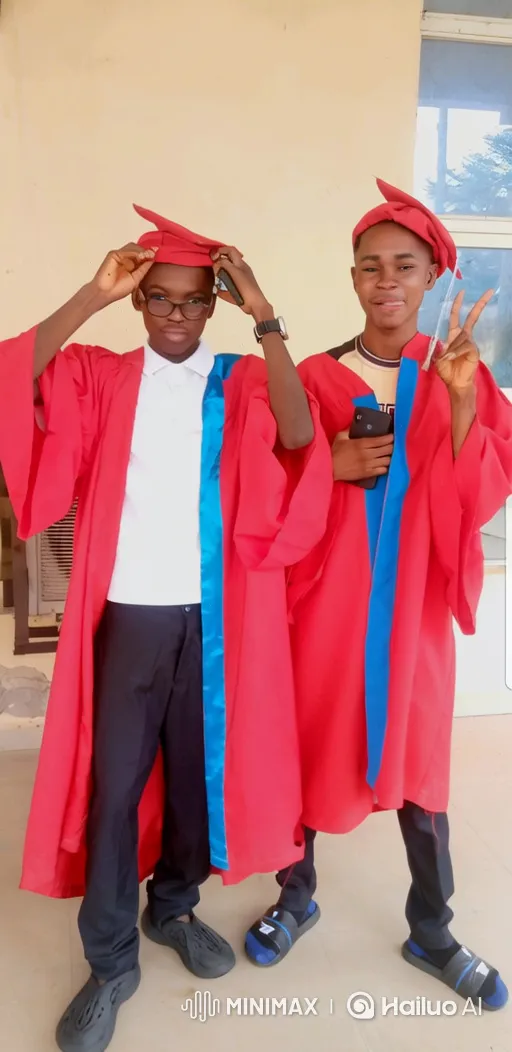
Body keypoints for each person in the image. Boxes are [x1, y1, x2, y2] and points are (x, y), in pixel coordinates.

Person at [0, 204, 332, 1052]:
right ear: (142, 302)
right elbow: (13, 375)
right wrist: (93, 294)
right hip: (130, 616)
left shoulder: (239, 378)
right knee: (116, 787)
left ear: (212, 305)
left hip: (215, 620)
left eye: (192, 301)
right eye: (160, 299)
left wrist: (263, 312)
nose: (176, 314)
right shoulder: (103, 376)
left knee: (195, 779)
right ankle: (109, 961)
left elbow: (300, 435)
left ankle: (173, 908)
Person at [245, 180, 512, 1012]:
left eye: (404, 264)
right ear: (352, 277)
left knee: (421, 770)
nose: (385, 279)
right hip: (324, 606)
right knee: (311, 745)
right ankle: (297, 896)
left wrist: (464, 396)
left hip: (411, 615)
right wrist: (329, 463)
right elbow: (264, 485)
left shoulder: (457, 377)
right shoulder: (318, 378)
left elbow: (478, 498)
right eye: (370, 266)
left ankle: (431, 927)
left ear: (433, 274)